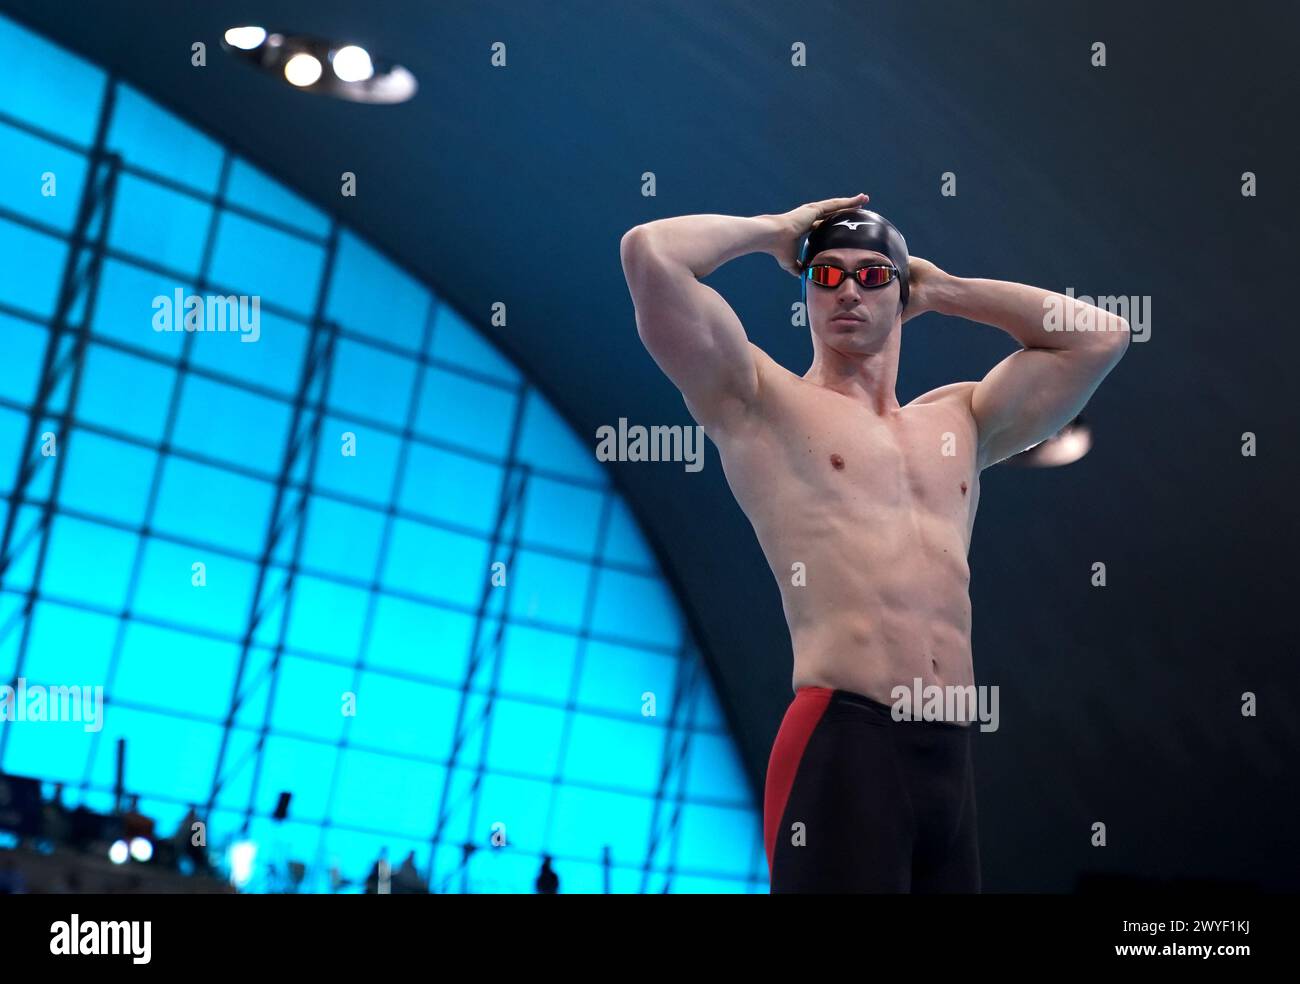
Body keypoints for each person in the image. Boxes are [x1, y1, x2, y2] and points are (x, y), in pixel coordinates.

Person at [620, 194, 1129, 892]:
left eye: (870, 275)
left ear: (902, 290)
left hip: (949, 755)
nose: (847, 291)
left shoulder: (962, 421)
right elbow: (650, 253)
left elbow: (1100, 336)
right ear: (804, 293)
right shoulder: (764, 405)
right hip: (845, 739)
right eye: (825, 275)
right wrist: (775, 232)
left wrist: (945, 289)